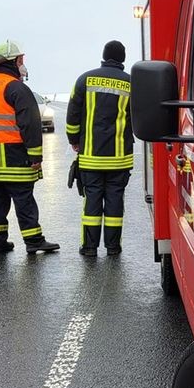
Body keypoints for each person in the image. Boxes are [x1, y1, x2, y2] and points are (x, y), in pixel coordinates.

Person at [0, 40, 60, 255]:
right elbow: (29, 124)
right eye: (20, 59)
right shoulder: (16, 88)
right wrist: (35, 156)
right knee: (23, 197)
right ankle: (33, 240)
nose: (23, 64)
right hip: (14, 154)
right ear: (12, 62)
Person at [66, 40, 134, 257]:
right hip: (120, 158)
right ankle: (113, 248)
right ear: (122, 59)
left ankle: (89, 247)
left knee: (92, 201)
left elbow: (72, 116)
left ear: (104, 56)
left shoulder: (84, 80)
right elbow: (140, 118)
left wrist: (74, 139)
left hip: (91, 157)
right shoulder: (132, 84)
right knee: (115, 202)